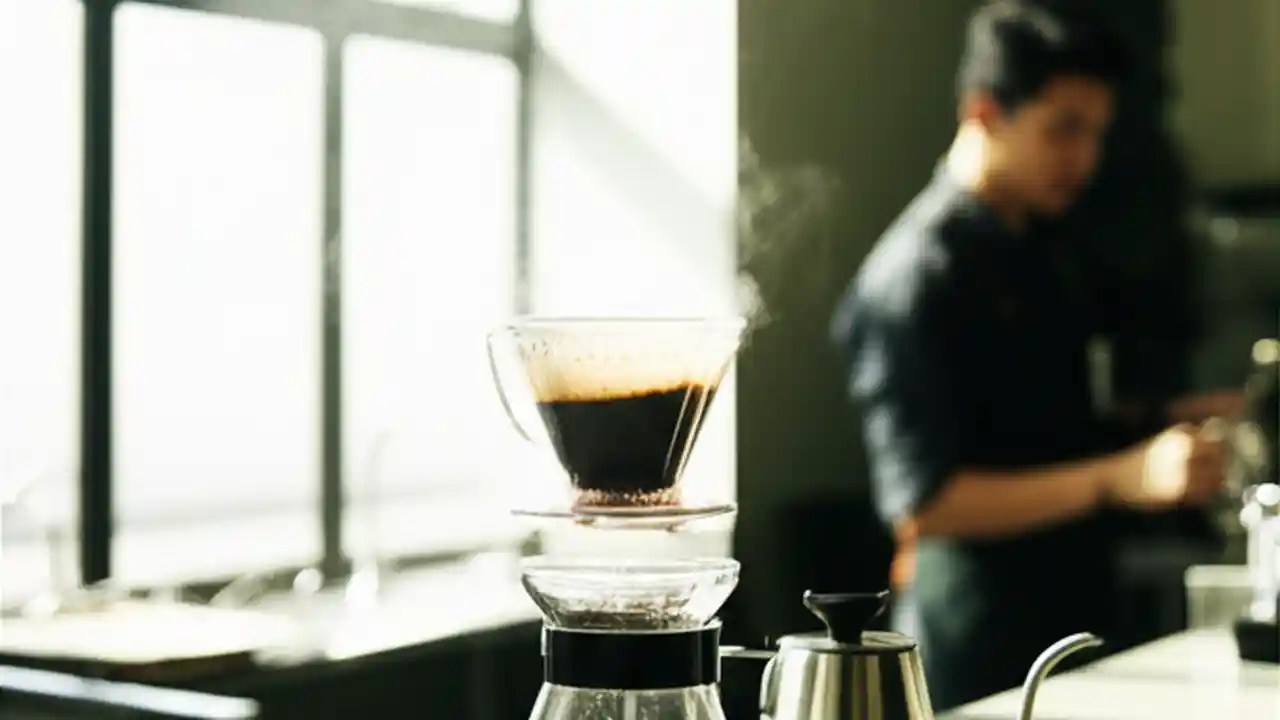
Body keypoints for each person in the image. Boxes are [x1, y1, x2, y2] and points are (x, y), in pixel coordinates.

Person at [830, 1, 1240, 710]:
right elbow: (928, 503)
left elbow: (1049, 427)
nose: (1083, 159)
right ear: (985, 112)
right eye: (1063, 130)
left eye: (1095, 134)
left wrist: (1166, 422)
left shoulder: (1042, 246)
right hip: (977, 638)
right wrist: (1123, 476)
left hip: (1074, 615)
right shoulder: (912, 279)